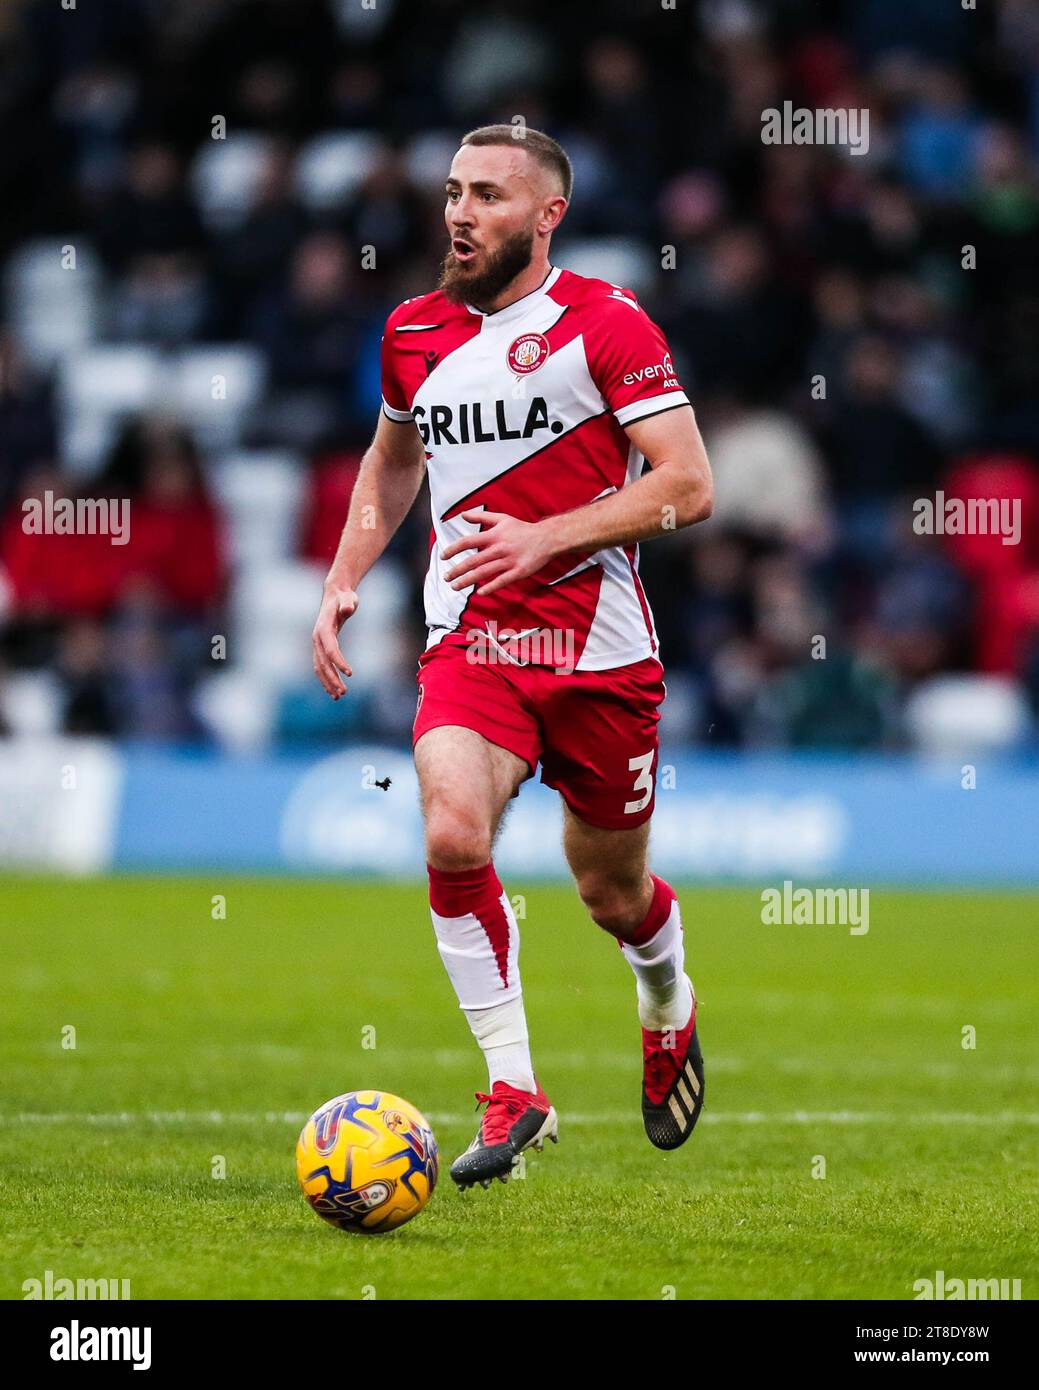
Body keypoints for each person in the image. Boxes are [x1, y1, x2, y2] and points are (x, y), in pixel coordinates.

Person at [312, 125, 714, 1189]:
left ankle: (664, 1000)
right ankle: (514, 1086)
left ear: (545, 217)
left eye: (487, 194)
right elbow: (392, 463)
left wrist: (547, 535)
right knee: (450, 830)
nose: (458, 212)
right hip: (474, 639)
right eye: (451, 190)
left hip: (600, 653)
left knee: (611, 895)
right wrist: (345, 574)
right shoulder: (412, 331)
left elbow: (687, 484)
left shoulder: (607, 324)